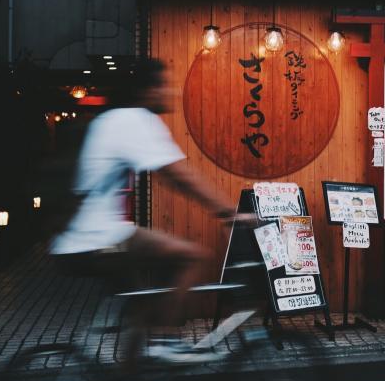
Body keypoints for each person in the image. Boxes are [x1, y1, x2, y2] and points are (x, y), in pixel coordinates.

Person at [51, 59, 250, 364]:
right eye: (165, 84)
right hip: (100, 239)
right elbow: (178, 176)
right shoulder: (134, 119)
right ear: (147, 90)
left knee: (141, 306)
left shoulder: (111, 119)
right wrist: (228, 212)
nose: (170, 91)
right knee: (193, 255)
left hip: (85, 239)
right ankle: (166, 339)